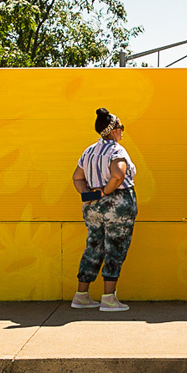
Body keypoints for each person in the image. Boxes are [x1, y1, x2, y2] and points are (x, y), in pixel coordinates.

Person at [70, 108, 135, 311]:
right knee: (115, 247)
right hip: (117, 206)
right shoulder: (117, 150)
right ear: (113, 131)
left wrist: (90, 194)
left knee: (94, 245)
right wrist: (106, 192)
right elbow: (118, 175)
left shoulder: (89, 151)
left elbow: (77, 177)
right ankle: (108, 297)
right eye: (120, 127)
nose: (122, 131)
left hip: (92, 208)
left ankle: (81, 295)